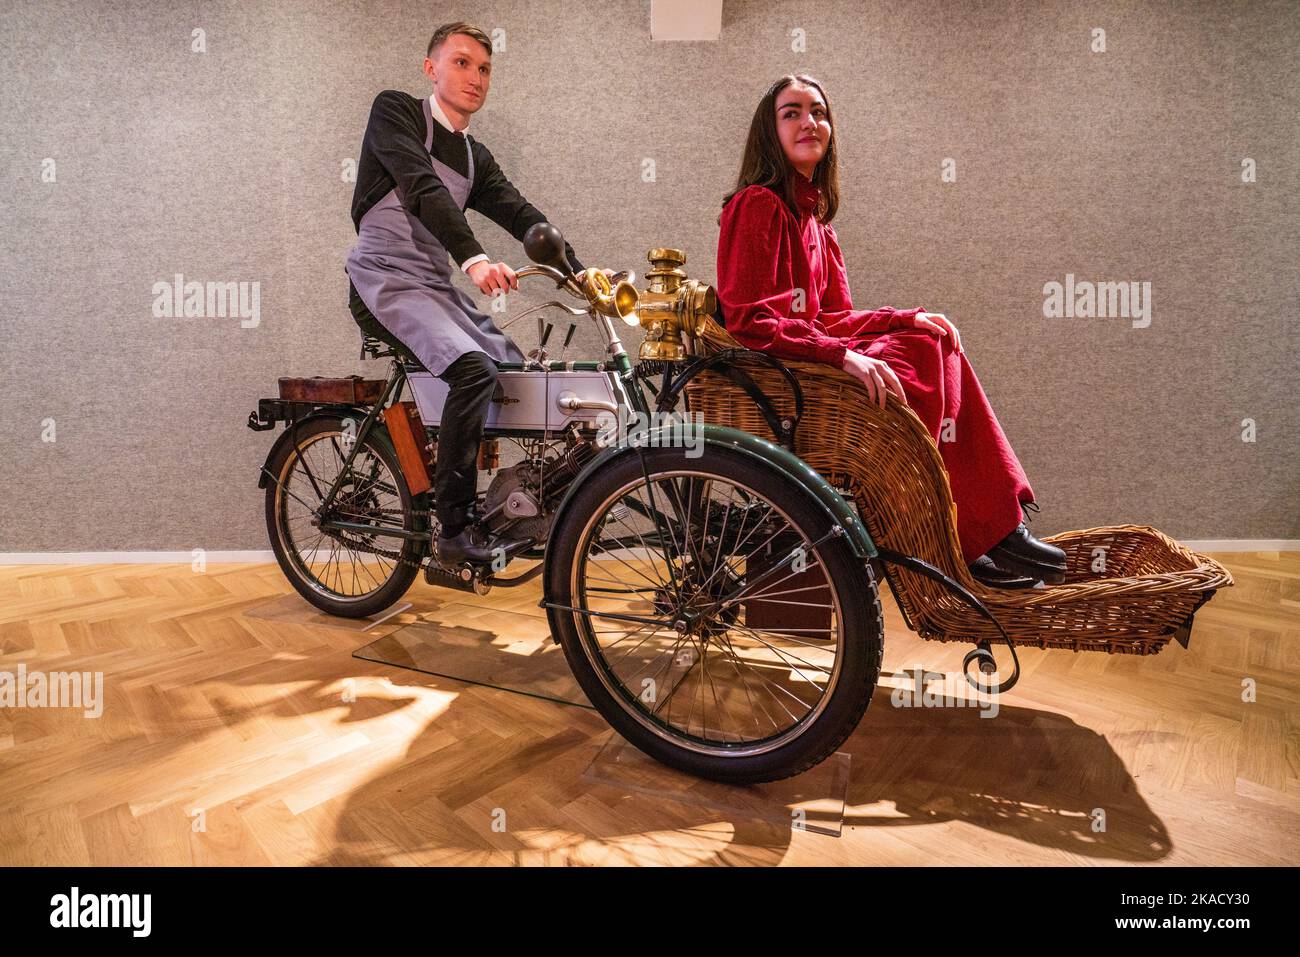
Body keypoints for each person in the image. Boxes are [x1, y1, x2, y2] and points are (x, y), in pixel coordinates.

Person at [714, 74, 1067, 587]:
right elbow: (750, 320)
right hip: (778, 372)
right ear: (770, 132)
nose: (809, 122)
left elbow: (831, 318)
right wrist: (843, 357)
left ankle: (987, 529)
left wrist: (906, 318)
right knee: (915, 360)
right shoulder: (757, 205)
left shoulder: (818, 224)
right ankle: (935, 527)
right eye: (792, 113)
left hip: (807, 358)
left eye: (818, 112)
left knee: (934, 341)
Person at [345, 22, 589, 567]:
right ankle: (452, 531)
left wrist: (581, 273)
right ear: (430, 68)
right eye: (461, 63)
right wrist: (475, 259)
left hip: (432, 288)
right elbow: (421, 187)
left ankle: (508, 503)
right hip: (383, 280)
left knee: (516, 371)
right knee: (474, 370)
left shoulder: (475, 157)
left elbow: (522, 215)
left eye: (484, 68)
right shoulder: (396, 112)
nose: (475, 77)